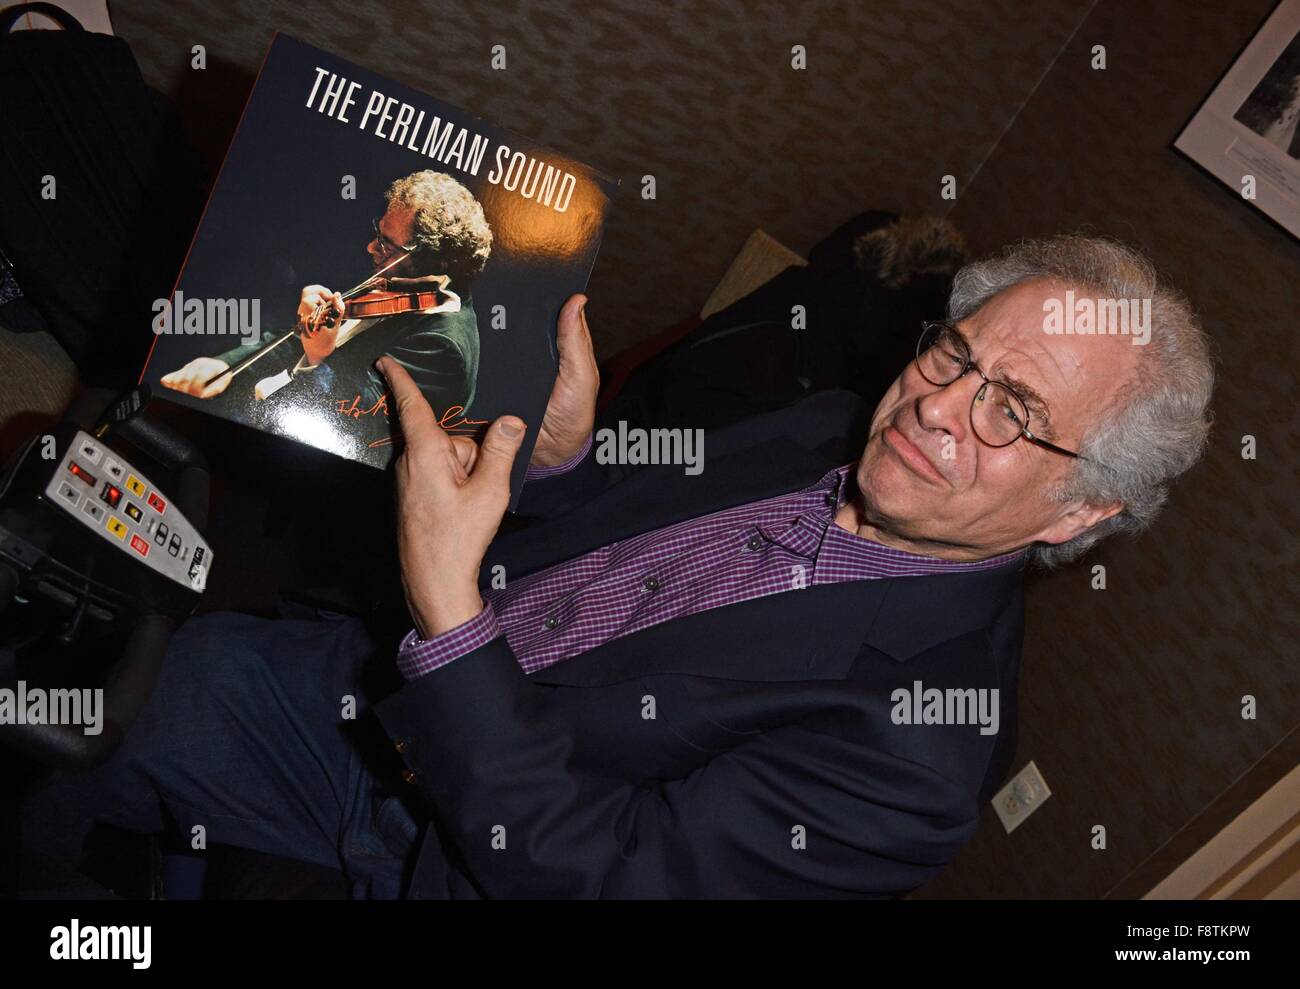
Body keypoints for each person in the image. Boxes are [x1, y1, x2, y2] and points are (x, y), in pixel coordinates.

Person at [87, 235, 1214, 898]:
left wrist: (447, 607)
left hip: (445, 842)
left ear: (1083, 509)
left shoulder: (919, 755)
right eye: (955, 354)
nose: (934, 406)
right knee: (103, 676)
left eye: (1010, 409)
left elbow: (605, 876)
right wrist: (568, 461)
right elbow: (604, 523)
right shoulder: (826, 423)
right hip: (368, 670)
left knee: (109, 727)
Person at [159, 170, 491, 443]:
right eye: (378, 233)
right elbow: (293, 341)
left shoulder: (444, 348)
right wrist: (225, 368)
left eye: (388, 246)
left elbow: (354, 426)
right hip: (262, 408)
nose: (371, 246)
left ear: (438, 261)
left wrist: (319, 355)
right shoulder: (396, 283)